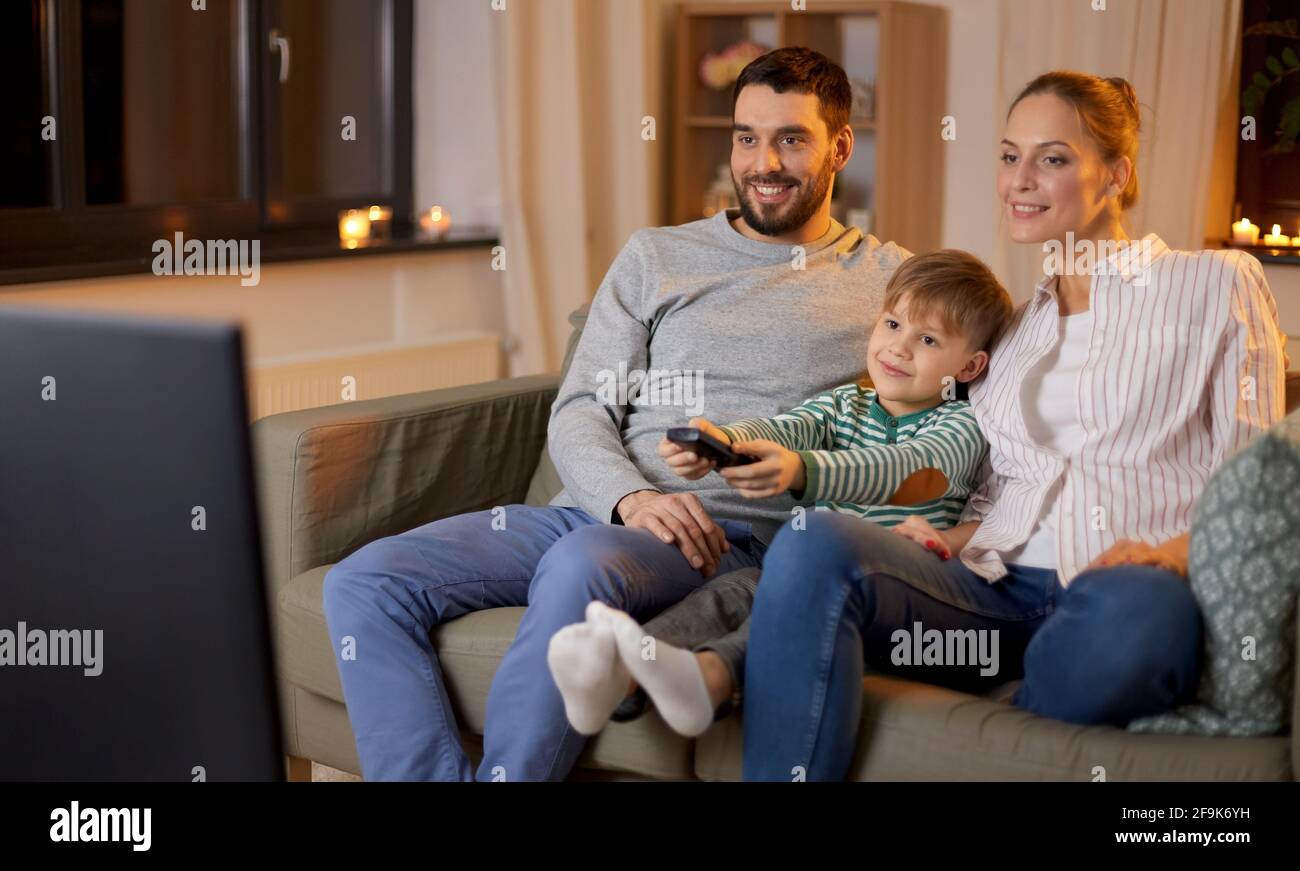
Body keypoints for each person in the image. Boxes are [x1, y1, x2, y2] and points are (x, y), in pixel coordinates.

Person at [322, 47, 909, 781]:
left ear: (839, 147)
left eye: (792, 138)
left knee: (580, 564)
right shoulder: (655, 256)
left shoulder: (890, 281)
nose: (764, 162)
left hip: (726, 538)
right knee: (361, 582)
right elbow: (579, 409)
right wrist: (630, 497)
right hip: (599, 509)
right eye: (746, 137)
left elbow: (975, 367)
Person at [740, 70, 1289, 781]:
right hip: (990, 591)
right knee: (814, 542)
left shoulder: (1215, 285)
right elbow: (995, 491)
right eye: (1008, 156)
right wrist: (945, 536)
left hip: (1121, 587)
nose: (1019, 180)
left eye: (1052, 158)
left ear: (1117, 174)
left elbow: (1258, 475)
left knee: (1142, 616)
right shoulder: (1012, 329)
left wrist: (1177, 551)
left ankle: (1025, 688)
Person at [546, 249, 1013, 738]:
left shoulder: (960, 425)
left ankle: (705, 677)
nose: (899, 348)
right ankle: (622, 668)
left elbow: (899, 470)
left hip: (889, 595)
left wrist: (802, 471)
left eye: (928, 339)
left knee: (786, 608)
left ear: (969, 366)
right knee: (735, 589)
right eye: (893, 324)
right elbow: (788, 428)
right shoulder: (845, 403)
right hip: (806, 573)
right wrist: (725, 442)